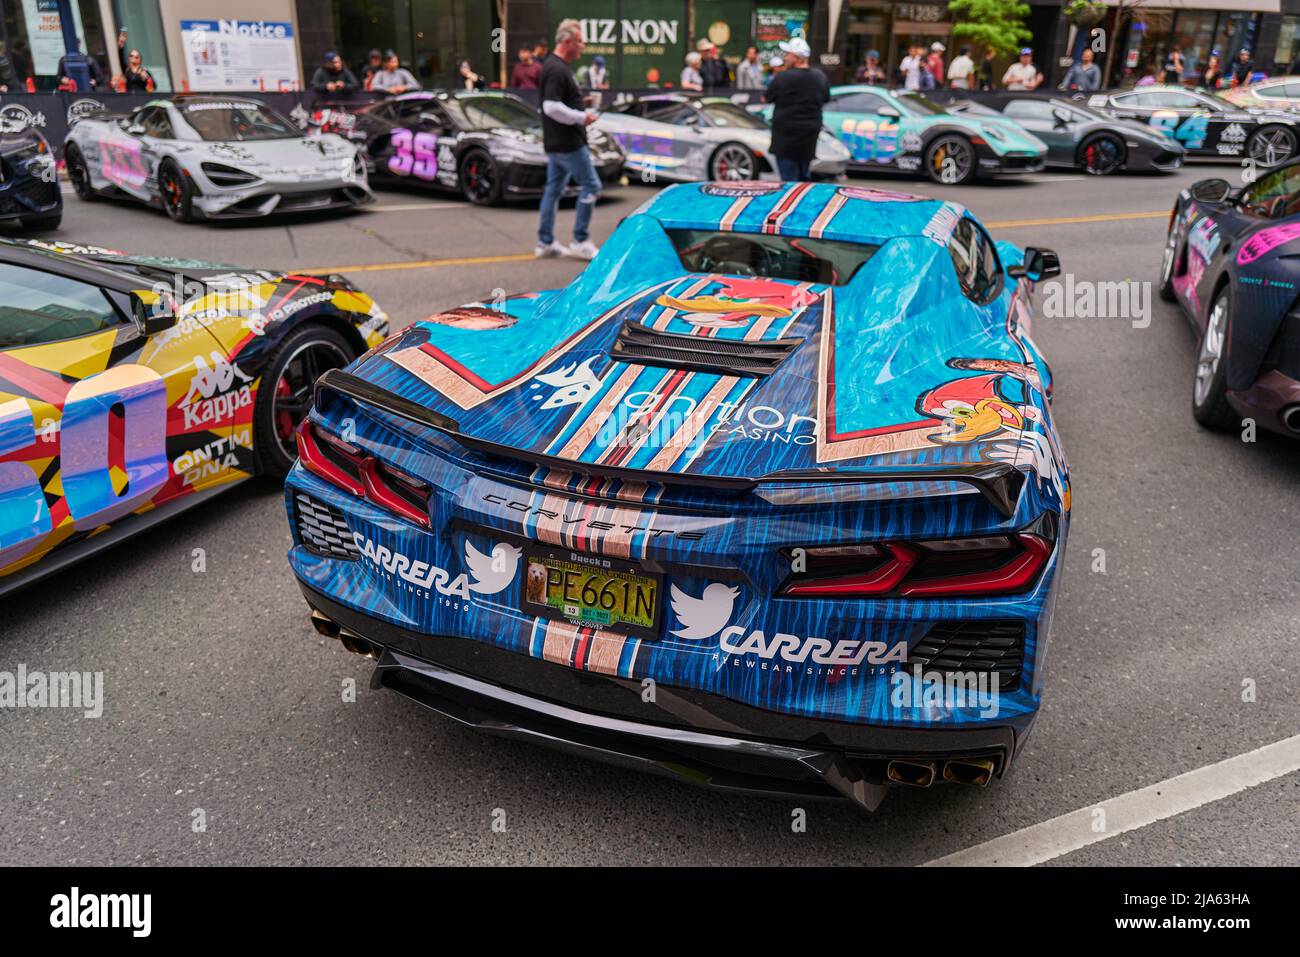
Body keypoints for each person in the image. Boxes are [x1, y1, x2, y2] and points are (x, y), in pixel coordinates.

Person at [535, 18, 602, 261]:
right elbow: (550, 106)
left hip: (557, 143)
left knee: (553, 190)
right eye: (580, 41)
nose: (583, 46)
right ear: (567, 41)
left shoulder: (555, 66)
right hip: (569, 144)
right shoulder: (556, 68)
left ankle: (545, 242)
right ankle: (580, 239)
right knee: (592, 186)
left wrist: (578, 105)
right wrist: (581, 116)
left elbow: (555, 103)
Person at [763, 36, 828, 181]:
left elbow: (767, 97)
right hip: (808, 140)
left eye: (788, 54)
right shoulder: (820, 77)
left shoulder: (783, 78)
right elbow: (825, 98)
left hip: (786, 141)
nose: (785, 58)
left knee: (788, 181)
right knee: (803, 177)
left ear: (798, 58)